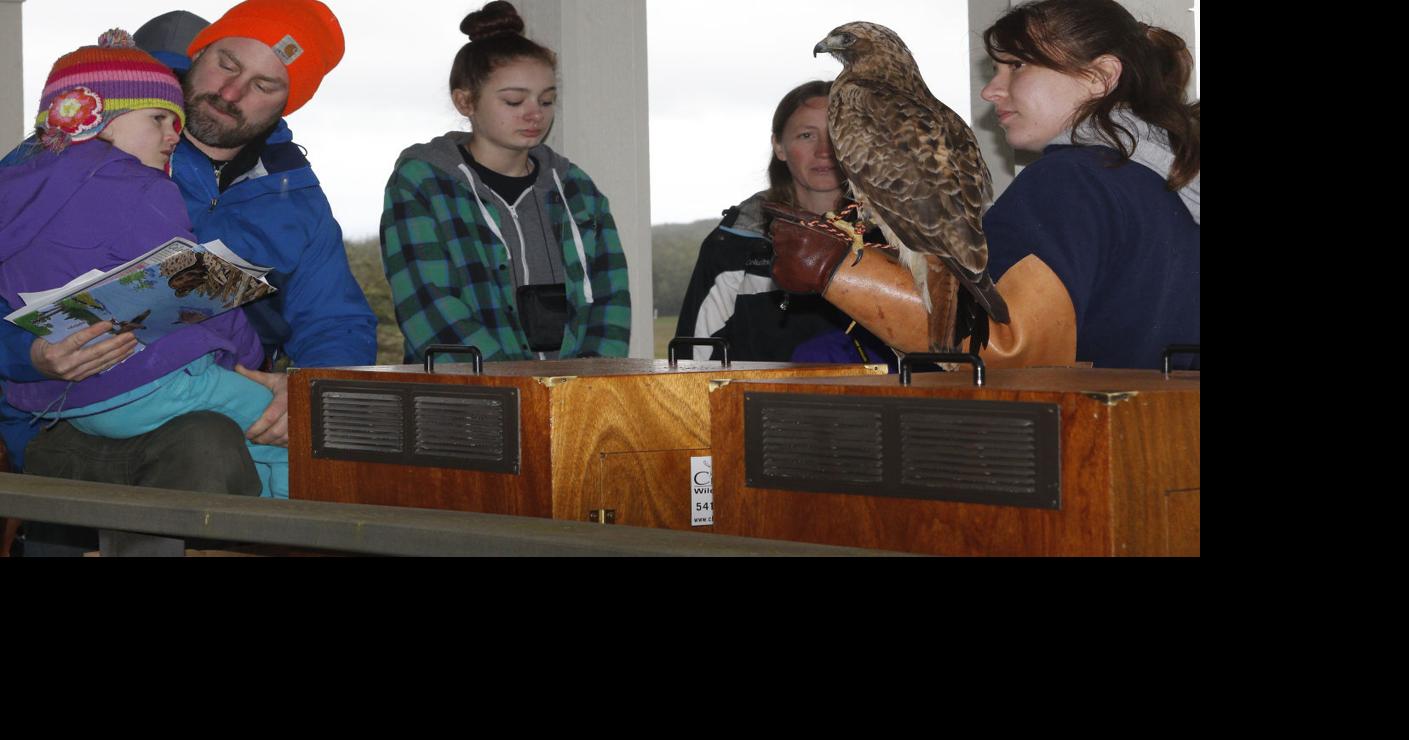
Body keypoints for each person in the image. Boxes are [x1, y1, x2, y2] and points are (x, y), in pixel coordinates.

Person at [1, 0, 377, 555]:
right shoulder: (66, 153)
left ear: (286, 102)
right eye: (227, 63)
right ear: (198, 51)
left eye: (264, 85)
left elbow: (336, 321)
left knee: (328, 441)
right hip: (61, 416)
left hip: (216, 396)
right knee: (207, 440)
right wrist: (28, 353)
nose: (232, 92)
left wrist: (306, 393)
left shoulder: (295, 194)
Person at [770, 0, 1199, 371]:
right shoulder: (1162, 179)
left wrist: (836, 269)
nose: (991, 90)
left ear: (1100, 76)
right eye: (995, 69)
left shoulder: (1072, 181)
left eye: (1016, 66)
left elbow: (1012, 351)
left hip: (1082, 432)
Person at [0, 30, 285, 496]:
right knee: (291, 437)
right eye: (159, 119)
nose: (175, 135)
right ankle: (298, 531)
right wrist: (252, 363)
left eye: (176, 121)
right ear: (100, 120)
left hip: (66, 405)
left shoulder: (15, 188)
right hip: (157, 382)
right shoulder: (142, 186)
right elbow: (201, 288)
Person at [381, 0, 631, 363]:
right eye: (514, 101)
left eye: (546, 101)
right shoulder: (423, 183)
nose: (535, 114)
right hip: (469, 391)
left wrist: (588, 381)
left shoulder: (577, 189)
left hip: (576, 390)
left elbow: (612, 298)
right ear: (465, 101)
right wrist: (511, 383)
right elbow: (427, 303)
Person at [674, 80, 891, 366]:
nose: (824, 150)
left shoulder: (899, 238)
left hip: (878, 395)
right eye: (806, 135)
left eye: (837, 133)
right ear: (779, 146)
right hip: (756, 396)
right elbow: (693, 359)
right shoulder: (737, 240)